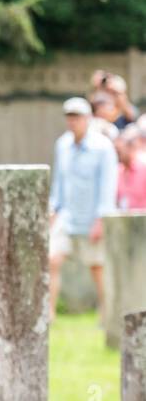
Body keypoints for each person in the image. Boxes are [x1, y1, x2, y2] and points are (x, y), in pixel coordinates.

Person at [49, 96, 118, 324]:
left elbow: (108, 185)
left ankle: (106, 314)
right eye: (69, 117)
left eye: (76, 117)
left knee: (97, 267)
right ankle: (49, 314)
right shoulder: (62, 144)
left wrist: (101, 219)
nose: (72, 122)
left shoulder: (103, 147)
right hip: (67, 217)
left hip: (91, 217)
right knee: (52, 259)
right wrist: (53, 209)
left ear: (88, 118)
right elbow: (60, 181)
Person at [115, 125, 146, 211]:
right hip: (124, 219)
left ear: (131, 149)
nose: (118, 154)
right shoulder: (118, 171)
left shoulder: (143, 170)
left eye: (121, 150)